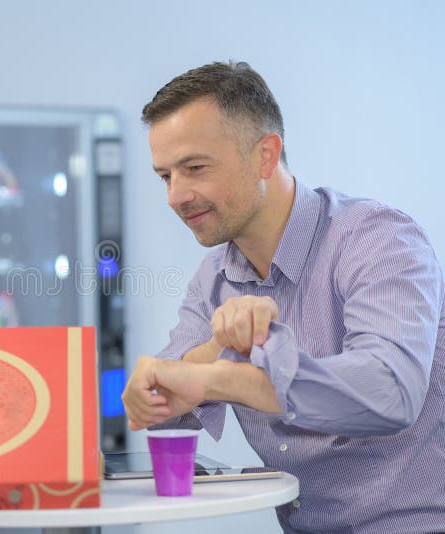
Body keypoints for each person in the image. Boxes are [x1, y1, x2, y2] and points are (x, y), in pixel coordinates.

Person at [122, 61, 445, 533]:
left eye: (194, 168)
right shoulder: (215, 275)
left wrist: (219, 377)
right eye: (165, 176)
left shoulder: (379, 239)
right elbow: (171, 409)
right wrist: (174, 379)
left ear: (265, 156)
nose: (175, 195)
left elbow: (389, 392)